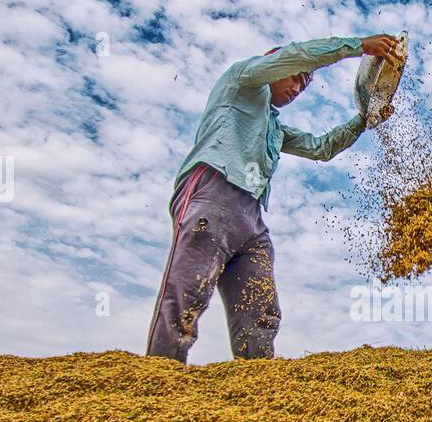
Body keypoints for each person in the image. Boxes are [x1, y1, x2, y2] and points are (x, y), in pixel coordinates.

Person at [146, 34, 404, 363]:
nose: (297, 89)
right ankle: (158, 380)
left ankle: (258, 390)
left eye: (304, 86)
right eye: (296, 77)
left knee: (260, 309)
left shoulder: (275, 127)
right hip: (212, 193)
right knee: (187, 292)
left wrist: (364, 120)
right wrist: (357, 47)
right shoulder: (242, 81)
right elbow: (298, 55)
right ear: (275, 64)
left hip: (251, 220)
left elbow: (320, 148)